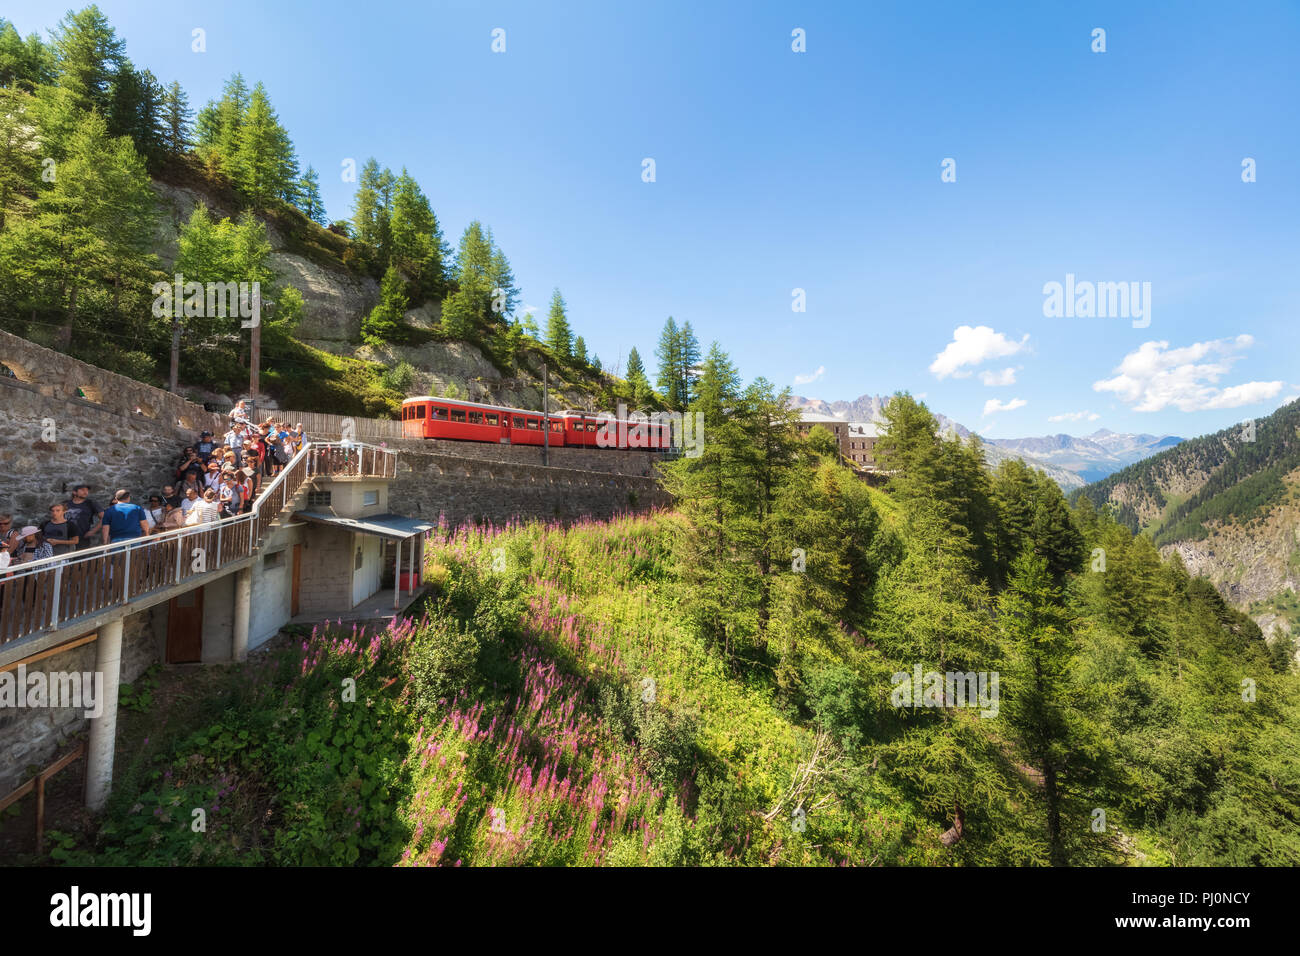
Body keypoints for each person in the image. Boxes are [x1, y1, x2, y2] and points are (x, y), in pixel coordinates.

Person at [63, 485, 103, 550]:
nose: (86, 492)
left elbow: (104, 517)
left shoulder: (90, 503)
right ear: (74, 492)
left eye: (87, 490)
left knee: (82, 556)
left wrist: (92, 531)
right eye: (82, 490)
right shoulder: (66, 504)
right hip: (66, 538)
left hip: (82, 537)